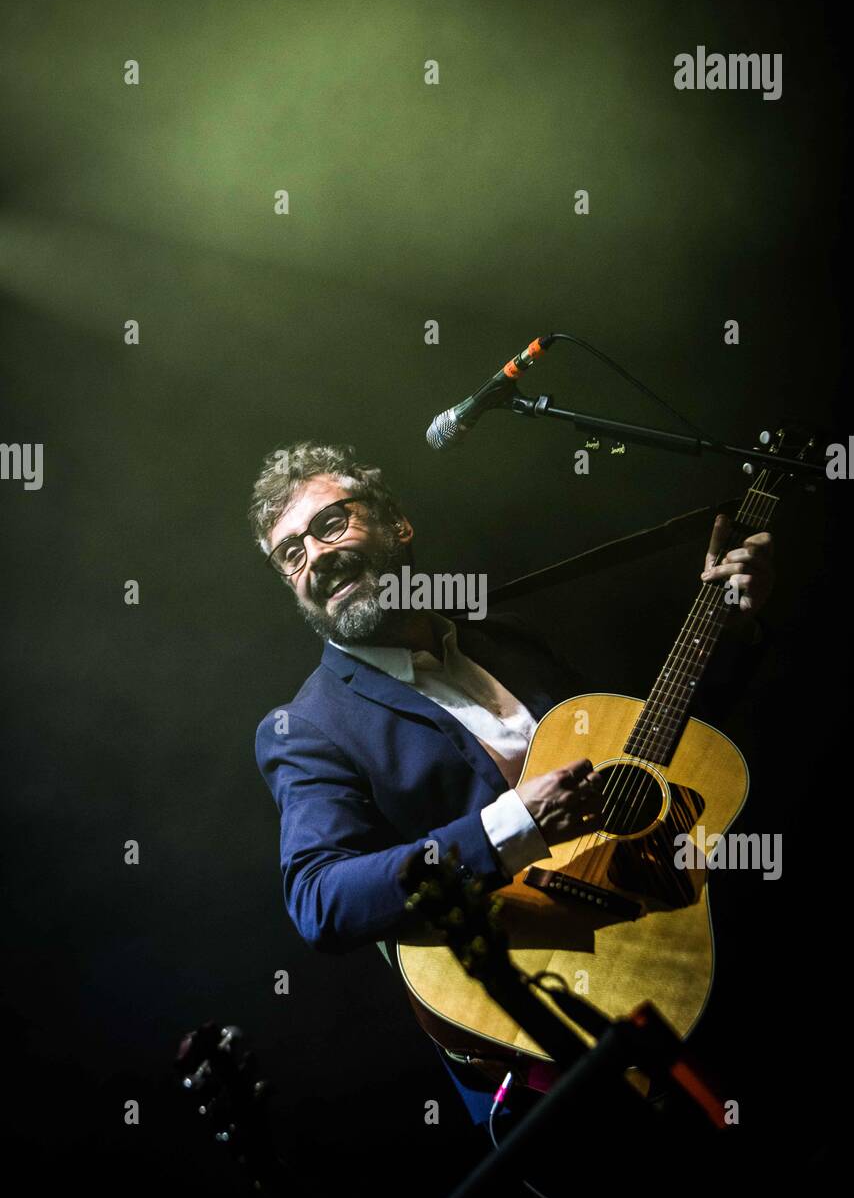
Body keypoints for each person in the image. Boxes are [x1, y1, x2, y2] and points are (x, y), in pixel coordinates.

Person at [250, 440, 773, 1129]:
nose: (314, 557)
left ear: (396, 525)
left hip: (686, 942)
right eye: (290, 554)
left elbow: (656, 769)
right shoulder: (308, 726)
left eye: (329, 525)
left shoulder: (506, 638)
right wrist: (512, 827)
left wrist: (729, 630)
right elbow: (321, 899)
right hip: (544, 1041)